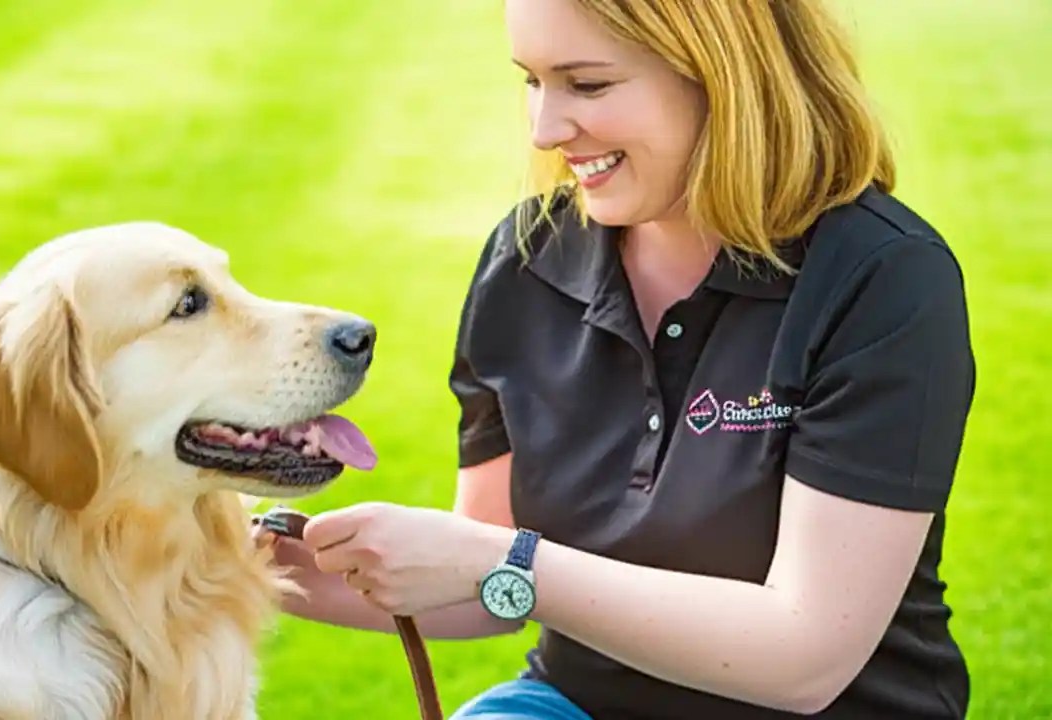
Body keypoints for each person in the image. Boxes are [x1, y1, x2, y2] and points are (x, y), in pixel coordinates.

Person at [256, 0, 975, 717]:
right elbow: (489, 595)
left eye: (587, 84)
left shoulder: (881, 278)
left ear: (723, 73)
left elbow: (805, 656)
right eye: (532, 81)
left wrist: (503, 562)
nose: (545, 129)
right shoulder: (529, 258)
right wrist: (228, 555)